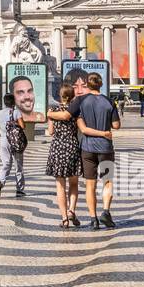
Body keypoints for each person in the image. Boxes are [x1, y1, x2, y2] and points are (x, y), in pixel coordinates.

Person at [75, 72, 120, 230]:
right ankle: (106, 211)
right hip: (106, 147)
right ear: (101, 84)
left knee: (90, 184)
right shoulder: (109, 102)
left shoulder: (81, 102)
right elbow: (116, 126)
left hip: (87, 148)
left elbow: (81, 126)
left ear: (87, 84)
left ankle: (93, 218)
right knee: (107, 181)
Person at [44, 81, 84, 225]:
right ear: (73, 96)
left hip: (58, 148)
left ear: (60, 96)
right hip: (72, 147)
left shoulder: (53, 111)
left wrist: (50, 117)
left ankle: (64, 218)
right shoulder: (76, 110)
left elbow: (50, 132)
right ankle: (71, 210)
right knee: (74, 183)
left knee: (60, 185)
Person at [0, 92, 28, 199]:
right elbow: (23, 126)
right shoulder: (16, 112)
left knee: (5, 164)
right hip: (16, 141)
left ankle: (0, 181)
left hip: (4, 141)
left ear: (5, 102)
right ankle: (19, 189)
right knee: (18, 166)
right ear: (14, 102)